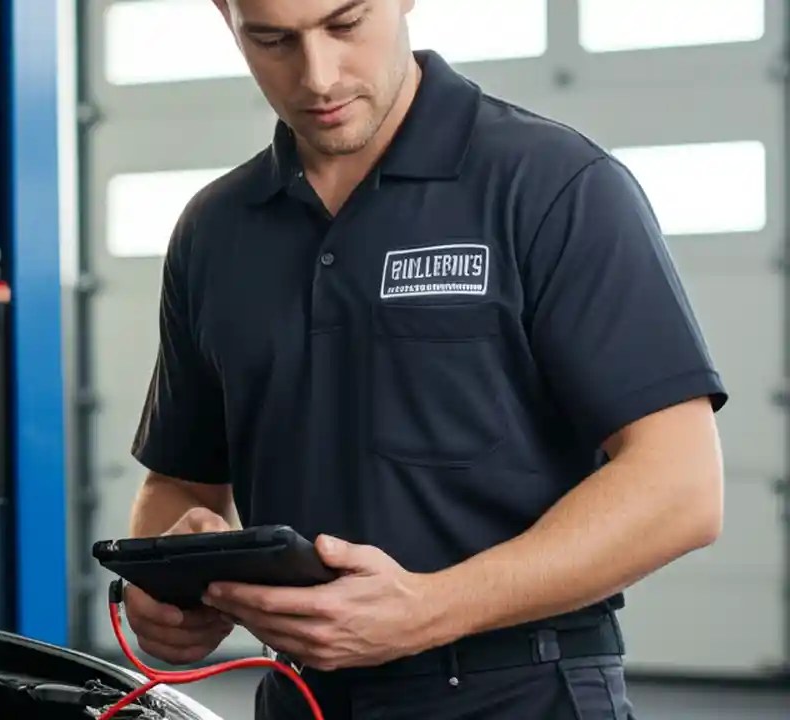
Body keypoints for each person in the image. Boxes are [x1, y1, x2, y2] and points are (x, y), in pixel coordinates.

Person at [119, 1, 728, 718]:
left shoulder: (552, 184)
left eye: (345, 24)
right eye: (273, 38)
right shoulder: (214, 231)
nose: (317, 76)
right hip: (303, 699)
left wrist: (430, 607)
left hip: (523, 696)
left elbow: (681, 488)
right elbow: (179, 482)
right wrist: (169, 581)